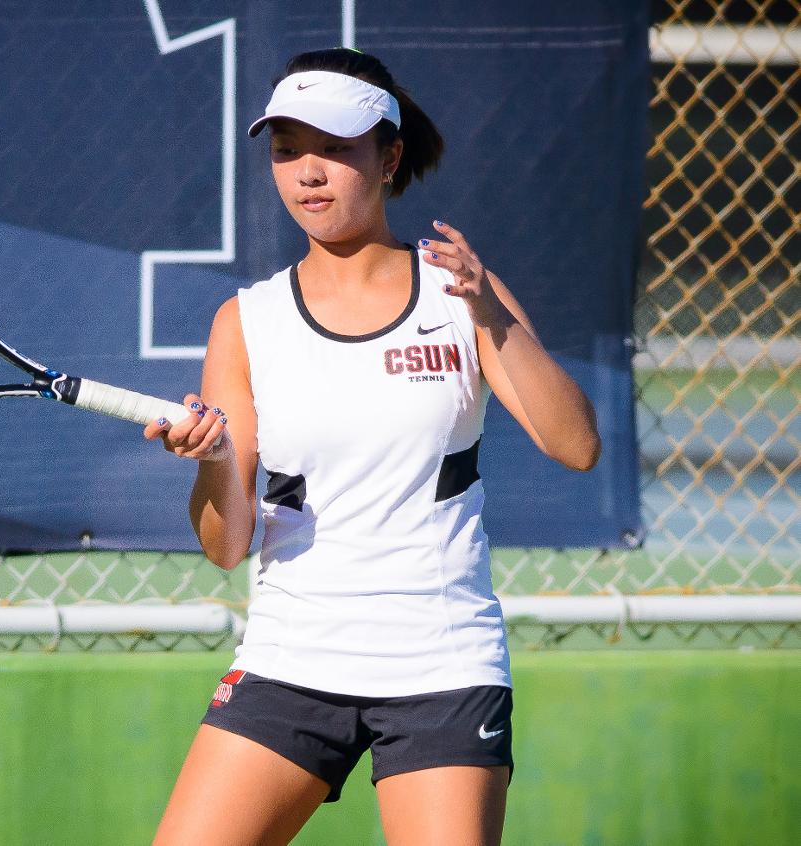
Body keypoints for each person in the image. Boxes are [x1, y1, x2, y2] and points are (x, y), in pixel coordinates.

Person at [143, 48, 601, 846]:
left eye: (335, 148)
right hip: (289, 660)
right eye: (287, 151)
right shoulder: (244, 322)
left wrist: (488, 309)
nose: (308, 173)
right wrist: (213, 462)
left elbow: (576, 447)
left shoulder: (460, 296)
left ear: (388, 160)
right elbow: (227, 547)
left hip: (441, 667)